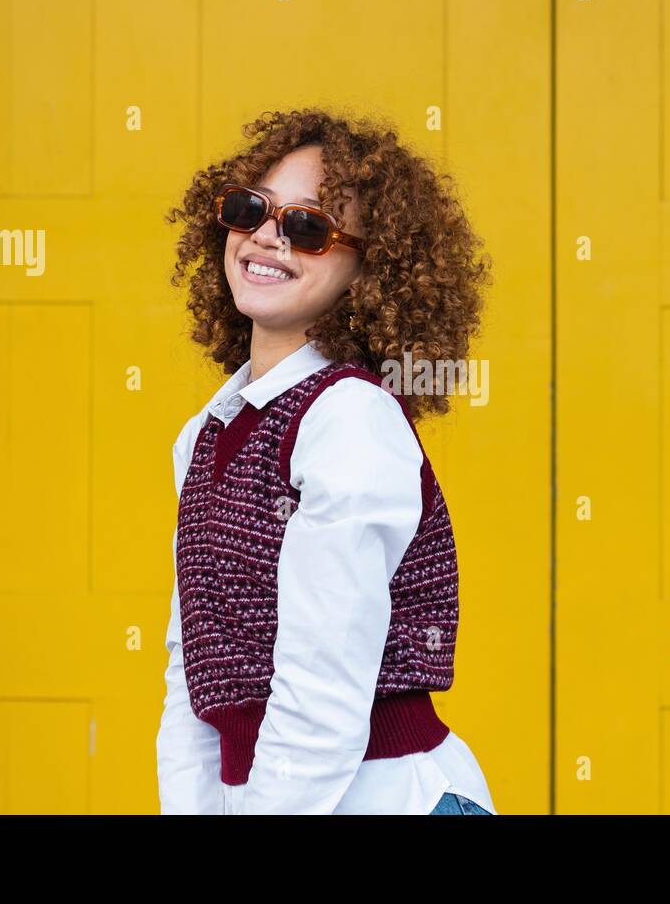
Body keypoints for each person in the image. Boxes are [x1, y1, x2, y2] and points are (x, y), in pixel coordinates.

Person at [156, 107, 496, 814]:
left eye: (308, 227)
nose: (266, 237)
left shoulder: (349, 418)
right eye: (250, 209)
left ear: (369, 270)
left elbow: (323, 691)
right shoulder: (205, 436)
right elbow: (194, 675)